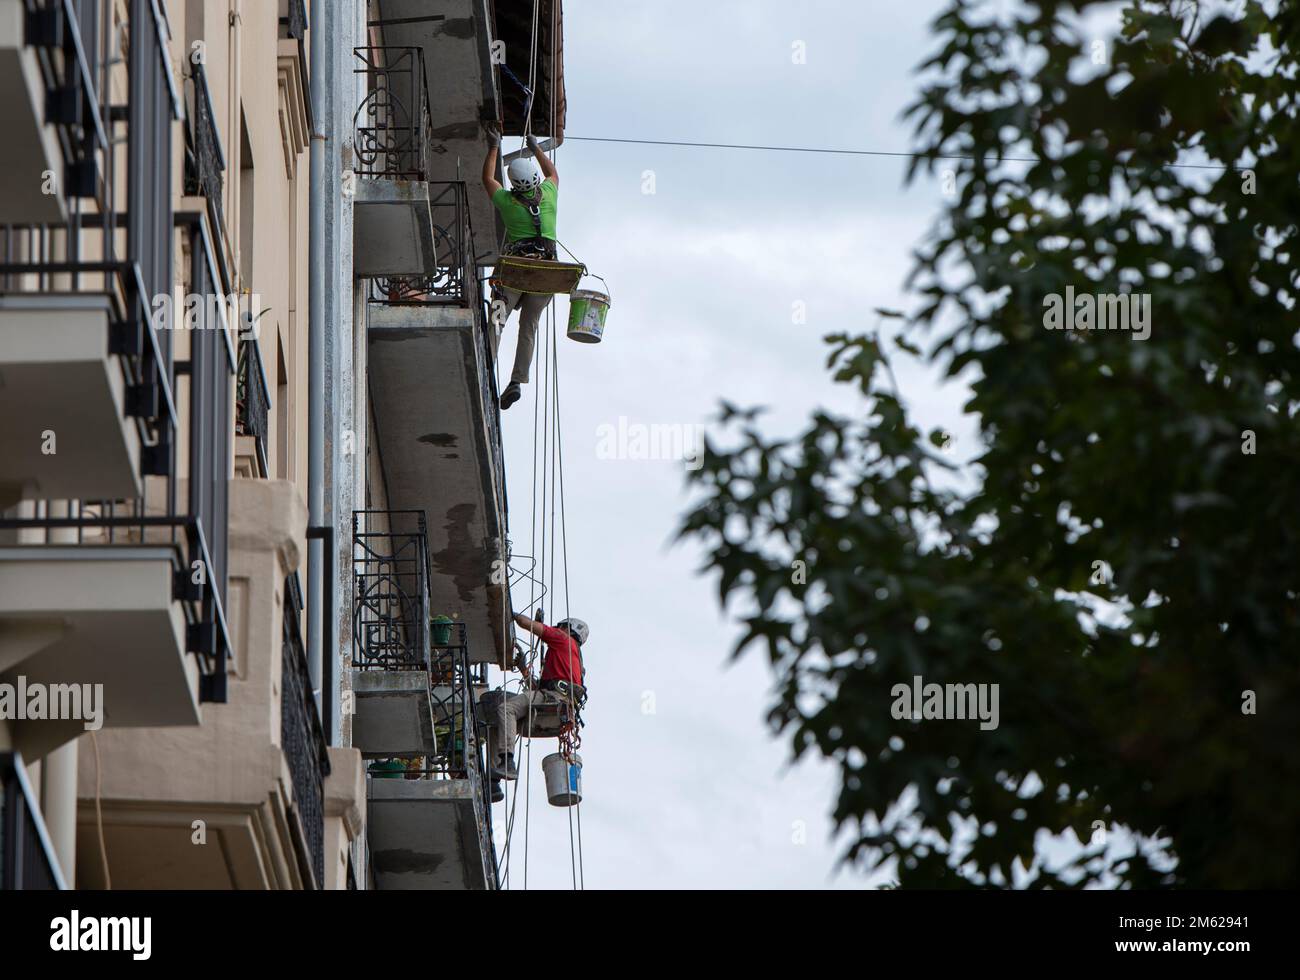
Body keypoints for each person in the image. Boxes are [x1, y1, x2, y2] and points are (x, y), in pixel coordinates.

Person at [481, 125, 560, 410]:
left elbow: (487, 179)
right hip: (546, 275)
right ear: (536, 180)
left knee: (498, 317)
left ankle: (486, 362)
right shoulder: (549, 194)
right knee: (529, 327)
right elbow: (553, 173)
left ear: (514, 184)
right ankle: (516, 380)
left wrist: (493, 146)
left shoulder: (508, 202)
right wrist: (536, 147)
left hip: (516, 271)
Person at [479, 609, 588, 798]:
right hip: (551, 706)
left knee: (506, 708)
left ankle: (508, 763)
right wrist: (523, 668)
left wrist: (509, 612)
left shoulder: (564, 640)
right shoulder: (566, 658)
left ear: (569, 630)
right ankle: (493, 784)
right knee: (498, 723)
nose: (557, 629)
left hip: (554, 700)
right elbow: (535, 688)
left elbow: (527, 624)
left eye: (560, 627)